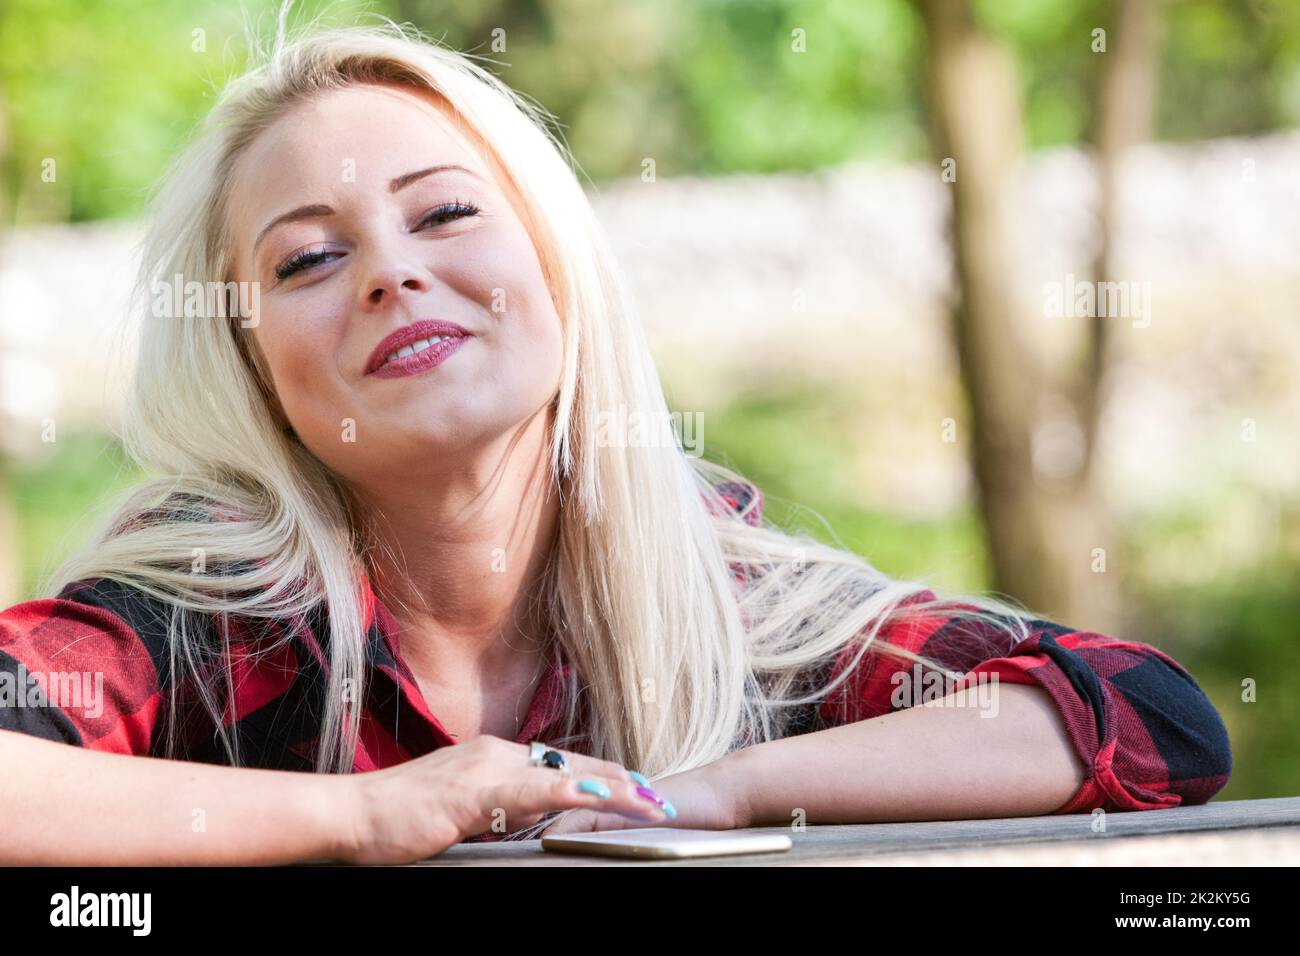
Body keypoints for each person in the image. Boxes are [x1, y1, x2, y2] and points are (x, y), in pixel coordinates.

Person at [0, 19, 1231, 866]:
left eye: (444, 212)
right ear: (252, 366)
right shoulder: (209, 618)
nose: (392, 273)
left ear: (554, 264)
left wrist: (713, 793)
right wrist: (362, 817)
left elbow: (1145, 718)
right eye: (310, 257)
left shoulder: (727, 599)